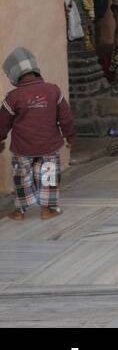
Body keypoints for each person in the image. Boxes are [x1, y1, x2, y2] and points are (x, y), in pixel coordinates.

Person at [0, 47, 75, 221]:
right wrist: (70, 136)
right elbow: (66, 117)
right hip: (49, 147)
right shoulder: (53, 90)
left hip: (22, 149)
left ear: (14, 75)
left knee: (21, 178)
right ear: (36, 68)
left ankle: (19, 211)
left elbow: (2, 122)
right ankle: (47, 210)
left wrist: (0, 139)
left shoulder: (13, 96)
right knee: (49, 177)